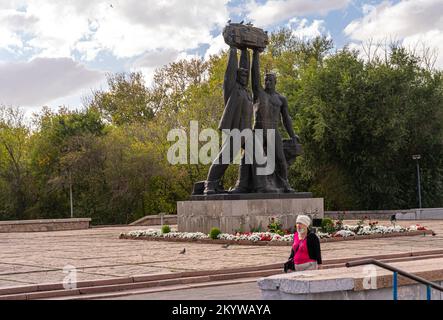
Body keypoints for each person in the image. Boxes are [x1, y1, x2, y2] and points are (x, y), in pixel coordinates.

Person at [204, 46, 254, 194]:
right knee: (226, 156)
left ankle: (243, 184)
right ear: (237, 77)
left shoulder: (247, 92)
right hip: (235, 130)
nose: (245, 78)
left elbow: (246, 68)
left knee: (254, 157)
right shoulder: (232, 89)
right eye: (242, 76)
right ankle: (210, 184)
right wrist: (233, 49)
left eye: (246, 76)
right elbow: (230, 72)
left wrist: (245, 50)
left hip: (247, 132)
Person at [251, 48, 298, 193]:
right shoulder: (259, 92)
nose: (267, 82)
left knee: (280, 159)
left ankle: (285, 184)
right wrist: (256, 54)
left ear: (275, 82)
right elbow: (254, 75)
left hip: (273, 130)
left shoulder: (280, 98)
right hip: (258, 130)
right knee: (254, 159)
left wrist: (292, 135)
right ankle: (257, 185)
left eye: (270, 80)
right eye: (266, 80)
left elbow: (286, 119)